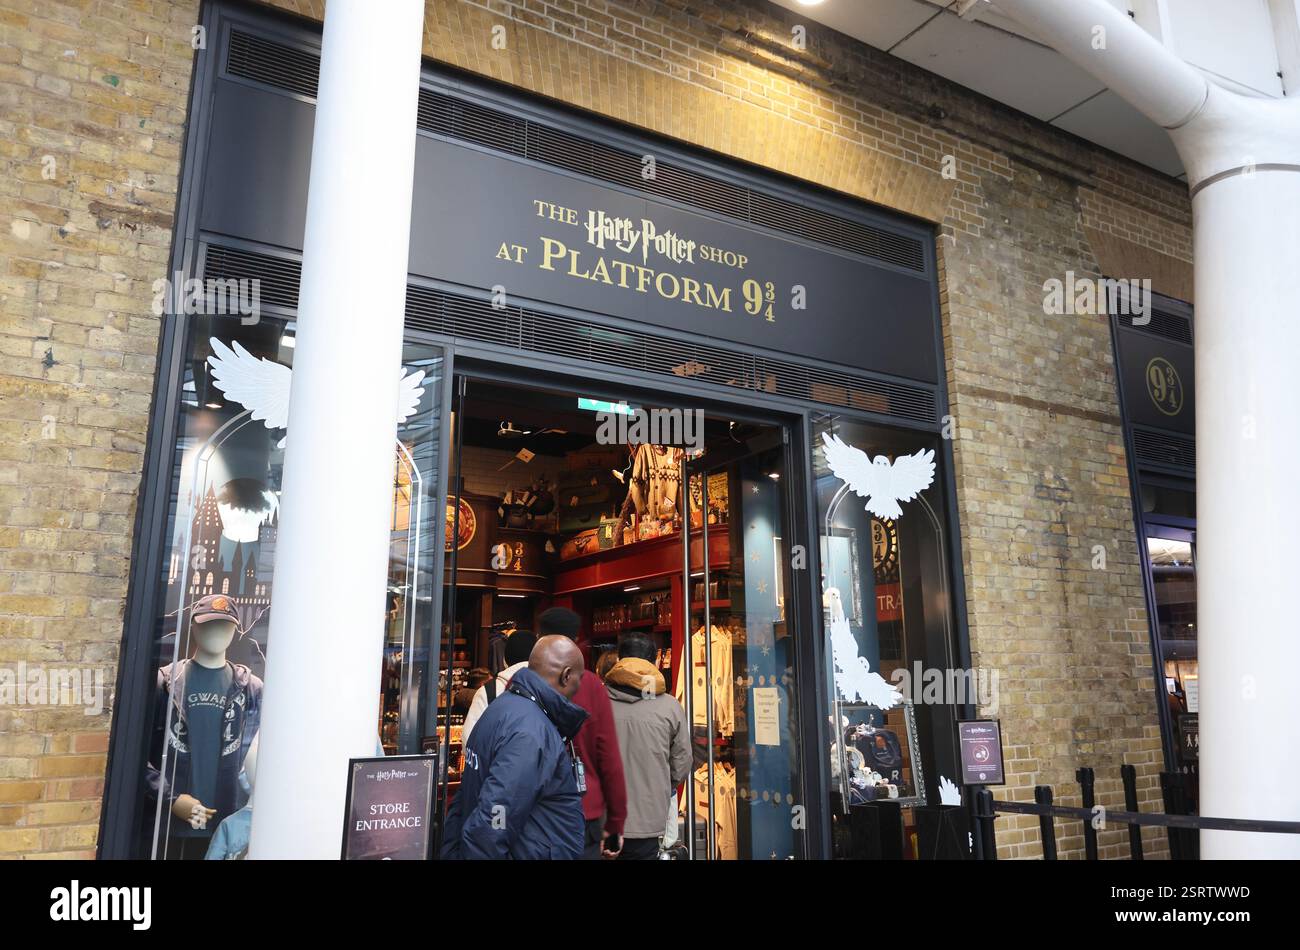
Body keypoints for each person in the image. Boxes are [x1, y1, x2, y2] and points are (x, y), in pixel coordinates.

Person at [440, 635, 589, 859]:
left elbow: (470, 798)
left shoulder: (502, 707)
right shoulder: (531, 731)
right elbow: (497, 814)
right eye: (580, 678)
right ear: (566, 675)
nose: (579, 686)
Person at [538, 606, 627, 860]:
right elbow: (609, 757)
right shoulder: (591, 685)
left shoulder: (522, 682)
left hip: (535, 812)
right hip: (583, 812)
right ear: (575, 642)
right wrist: (616, 822)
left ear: (540, 640)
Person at [605, 632, 691, 860]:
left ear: (619, 661)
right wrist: (660, 784)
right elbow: (682, 763)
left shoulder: (597, 702)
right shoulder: (670, 706)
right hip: (648, 819)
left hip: (602, 820)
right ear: (654, 663)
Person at [462, 633, 536, 742]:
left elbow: (469, 739)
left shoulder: (488, 692)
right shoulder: (550, 689)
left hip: (497, 758)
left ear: (504, 661)